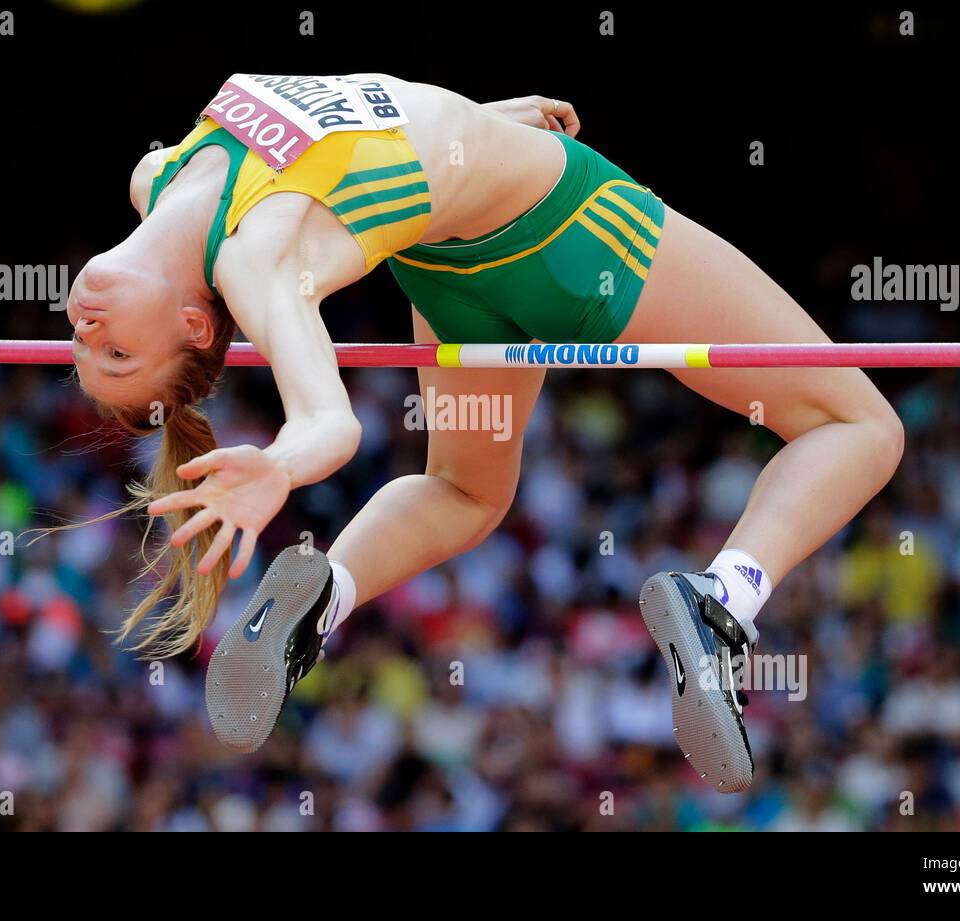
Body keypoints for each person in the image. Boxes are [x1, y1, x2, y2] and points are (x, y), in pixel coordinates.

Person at [64, 73, 904, 792]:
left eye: (90, 348)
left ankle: (328, 595)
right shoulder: (253, 263)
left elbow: (360, 120)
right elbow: (328, 420)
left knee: (465, 489)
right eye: (121, 351)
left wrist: (482, 126)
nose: (88, 327)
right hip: (570, 235)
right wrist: (280, 466)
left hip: (448, 266)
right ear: (196, 325)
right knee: (859, 425)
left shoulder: (156, 176)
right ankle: (723, 603)